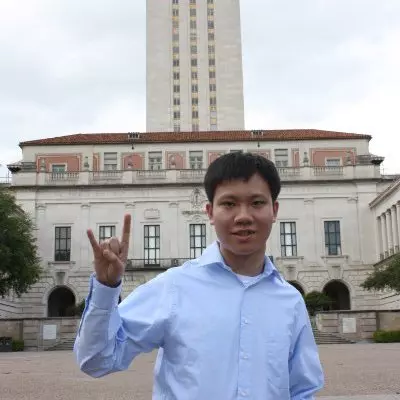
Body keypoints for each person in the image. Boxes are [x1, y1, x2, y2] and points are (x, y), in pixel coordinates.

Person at [74, 152, 324, 399]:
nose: (244, 216)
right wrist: (106, 288)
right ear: (210, 212)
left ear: (274, 209)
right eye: (229, 203)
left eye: (257, 203)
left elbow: (301, 391)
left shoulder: (290, 302)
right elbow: (96, 360)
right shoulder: (173, 288)